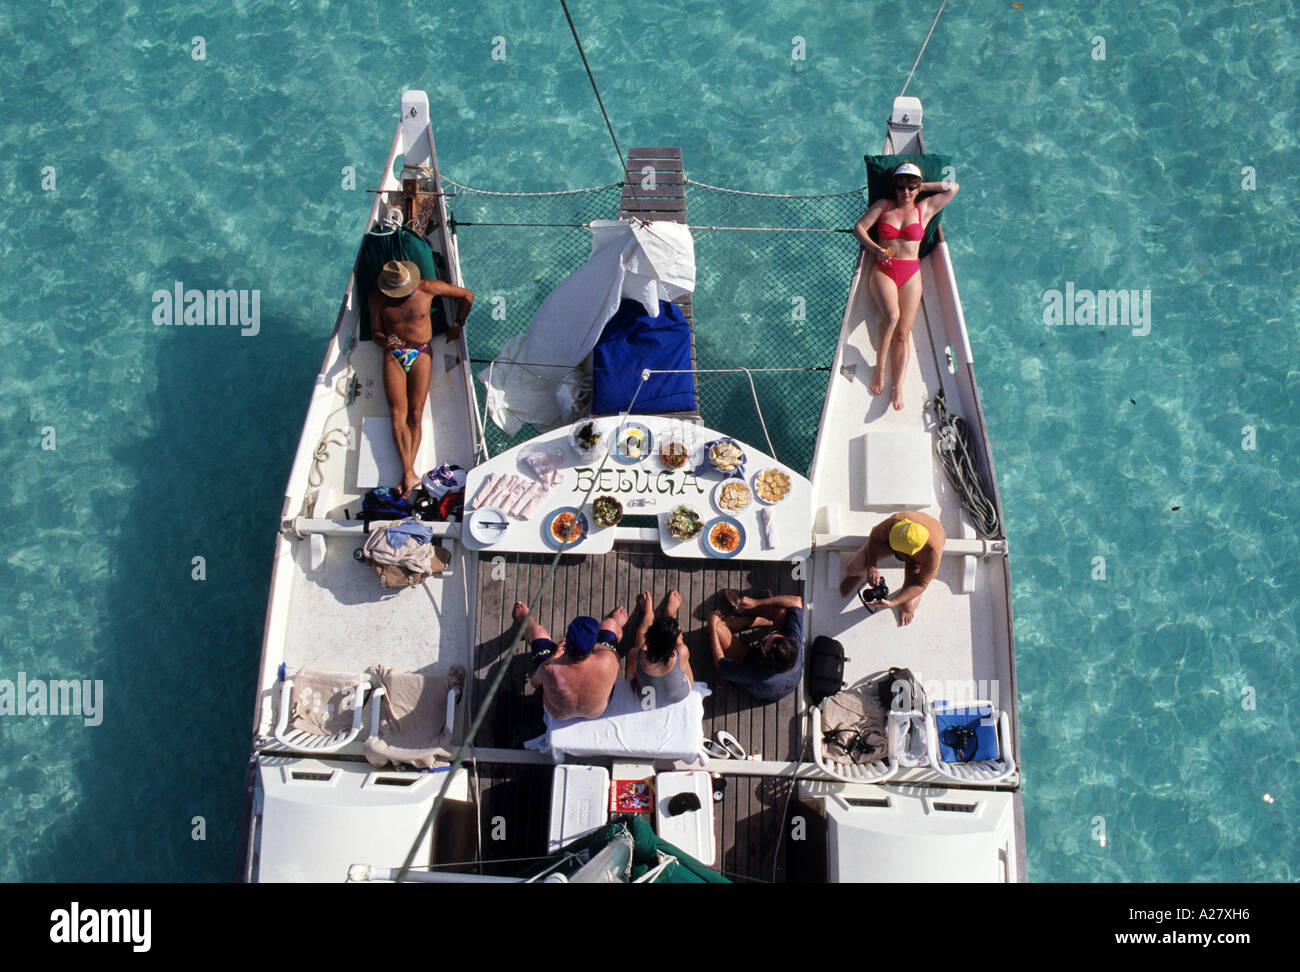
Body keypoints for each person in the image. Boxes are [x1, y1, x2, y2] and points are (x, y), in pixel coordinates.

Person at [851, 163, 959, 411]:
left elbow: (953, 187)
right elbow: (859, 229)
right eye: (901, 187)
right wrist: (876, 248)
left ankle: (898, 385)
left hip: (911, 272)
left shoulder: (925, 208)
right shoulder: (883, 206)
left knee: (903, 332)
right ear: (894, 188)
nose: (906, 192)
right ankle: (880, 369)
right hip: (884, 270)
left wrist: (922, 187)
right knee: (892, 316)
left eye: (911, 187)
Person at [369, 260, 475, 496]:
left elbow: (467, 295)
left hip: (421, 352)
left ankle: (407, 475)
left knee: (416, 414)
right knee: (397, 414)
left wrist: (458, 323)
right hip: (394, 354)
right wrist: (385, 340)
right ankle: (409, 473)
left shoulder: (428, 288)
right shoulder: (377, 298)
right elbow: (375, 331)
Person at [513, 601, 626, 720]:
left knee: (537, 631)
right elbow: (608, 651)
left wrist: (555, 656)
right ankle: (617, 623)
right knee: (610, 625)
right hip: (595, 712)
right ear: (594, 648)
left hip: (559, 714)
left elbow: (534, 682)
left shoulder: (550, 668)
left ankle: (528, 623)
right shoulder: (609, 661)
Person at [838, 510, 946, 626]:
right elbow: (874, 537)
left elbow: (921, 584)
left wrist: (893, 602)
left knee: (907, 605)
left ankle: (907, 605)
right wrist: (872, 566)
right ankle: (861, 574)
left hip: (916, 561)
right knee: (853, 568)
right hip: (891, 542)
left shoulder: (933, 554)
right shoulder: (896, 521)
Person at [707, 589, 804, 703]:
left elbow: (719, 662)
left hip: (752, 667)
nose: (765, 637)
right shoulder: (793, 644)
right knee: (781, 611)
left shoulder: (756, 675)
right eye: (774, 635)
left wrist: (713, 626)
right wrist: (757, 602)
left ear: (765, 658)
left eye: (763, 643)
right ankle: (750, 614)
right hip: (785, 675)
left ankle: (758, 619)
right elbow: (797, 601)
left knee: (716, 628)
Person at [625, 589, 695, 709]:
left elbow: (630, 678)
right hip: (678, 696)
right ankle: (670, 614)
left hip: (648, 700)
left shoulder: (635, 655)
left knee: (641, 633)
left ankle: (648, 616)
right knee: (680, 647)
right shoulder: (681, 651)